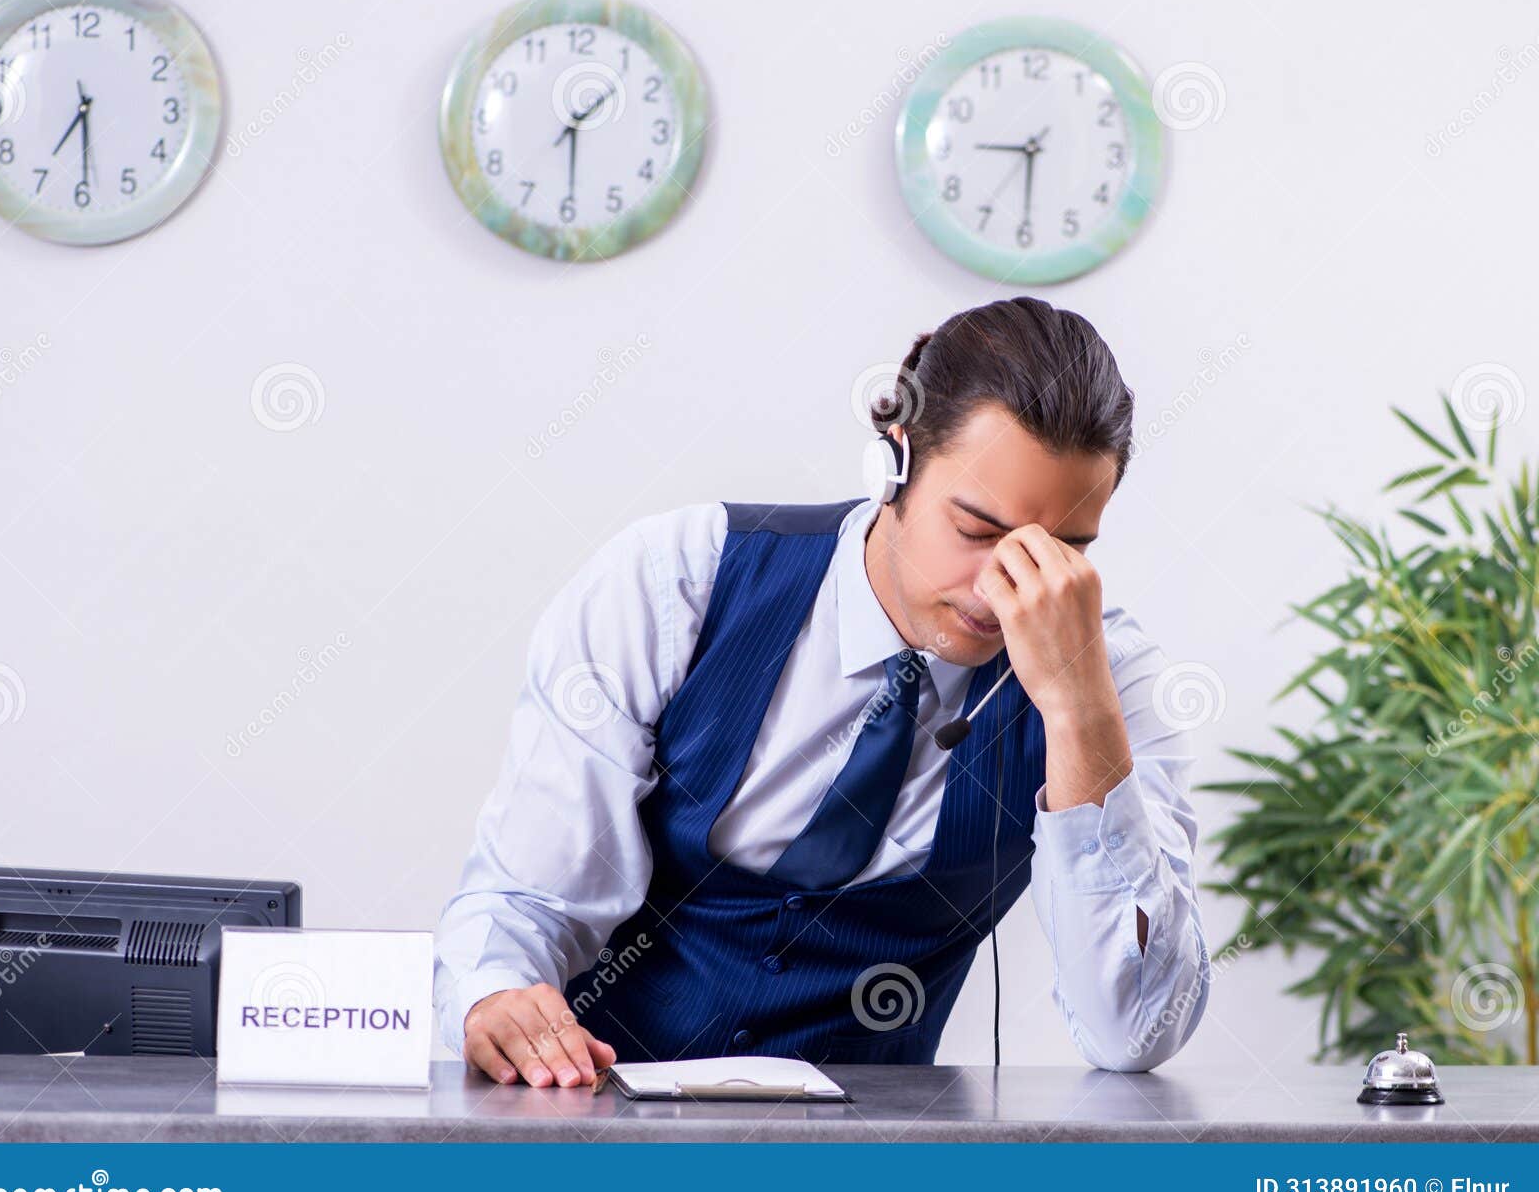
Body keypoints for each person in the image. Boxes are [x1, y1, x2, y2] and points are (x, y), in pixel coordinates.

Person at [433, 296, 1209, 1088]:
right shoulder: (675, 581)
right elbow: (527, 902)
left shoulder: (1109, 679)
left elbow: (1134, 1028)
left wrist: (1079, 710)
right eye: (977, 530)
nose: (1003, 588)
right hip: (593, 1128)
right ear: (893, 463)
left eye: (1062, 550)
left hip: (871, 1169)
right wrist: (492, 994)